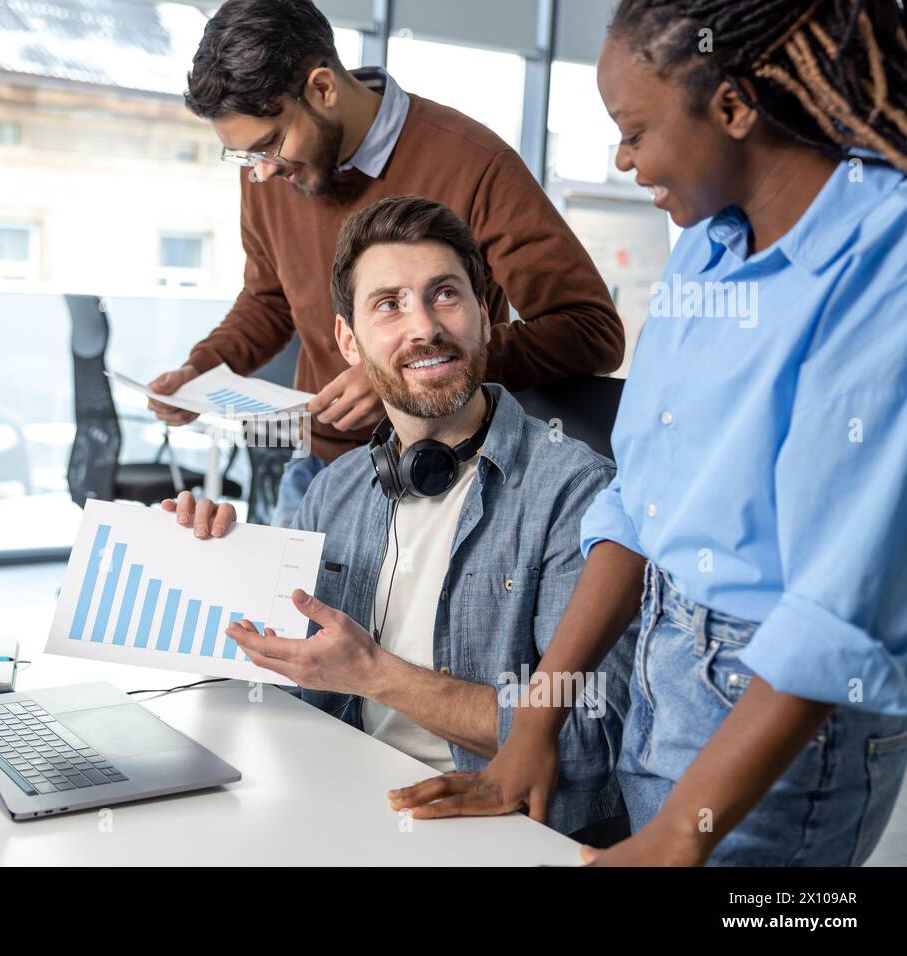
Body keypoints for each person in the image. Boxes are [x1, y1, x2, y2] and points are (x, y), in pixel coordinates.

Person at [390, 0, 907, 866]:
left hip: (779, 714)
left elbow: (835, 617)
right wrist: (532, 727)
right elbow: (641, 503)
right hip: (665, 663)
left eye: (633, 130)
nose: (624, 160)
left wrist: (674, 840)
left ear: (735, 109)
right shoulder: (710, 240)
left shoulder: (884, 267)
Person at [163, 196, 636, 839]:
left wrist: (376, 676)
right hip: (342, 804)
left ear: (485, 318)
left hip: (503, 829)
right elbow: (291, 695)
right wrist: (217, 568)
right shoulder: (335, 492)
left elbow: (586, 738)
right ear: (348, 342)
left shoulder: (575, 493)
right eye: (388, 304)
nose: (423, 327)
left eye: (444, 295)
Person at [147, 0, 624, 526]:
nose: (260, 173)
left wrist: (403, 376)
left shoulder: (473, 162)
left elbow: (591, 330)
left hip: (446, 472)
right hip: (319, 470)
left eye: (268, 146)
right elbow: (268, 299)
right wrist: (200, 368)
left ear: (322, 89)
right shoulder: (272, 174)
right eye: (245, 157)